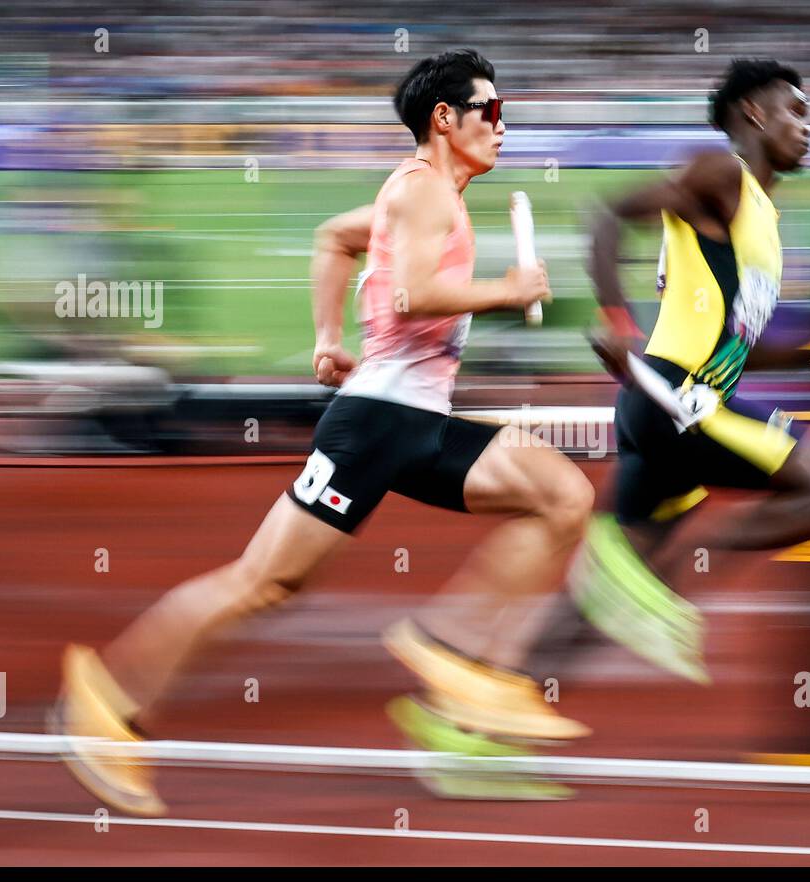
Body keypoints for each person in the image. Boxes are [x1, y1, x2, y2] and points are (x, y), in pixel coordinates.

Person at [55, 49, 594, 816]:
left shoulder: (415, 195)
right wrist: (507, 291)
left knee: (561, 495)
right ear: (446, 119)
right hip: (378, 426)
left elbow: (331, 239)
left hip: (409, 421)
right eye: (492, 111)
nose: (503, 128)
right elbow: (411, 294)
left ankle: (463, 668)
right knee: (263, 583)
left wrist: (324, 339)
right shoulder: (426, 192)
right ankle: (103, 702)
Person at [578, 59, 810, 680]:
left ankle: (491, 700)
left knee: (611, 588)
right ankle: (679, 577)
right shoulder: (723, 173)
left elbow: (738, 348)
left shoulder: (760, 216)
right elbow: (607, 218)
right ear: (754, 114)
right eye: (795, 111)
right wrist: (620, 327)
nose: (807, 127)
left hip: (668, 411)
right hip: (679, 401)